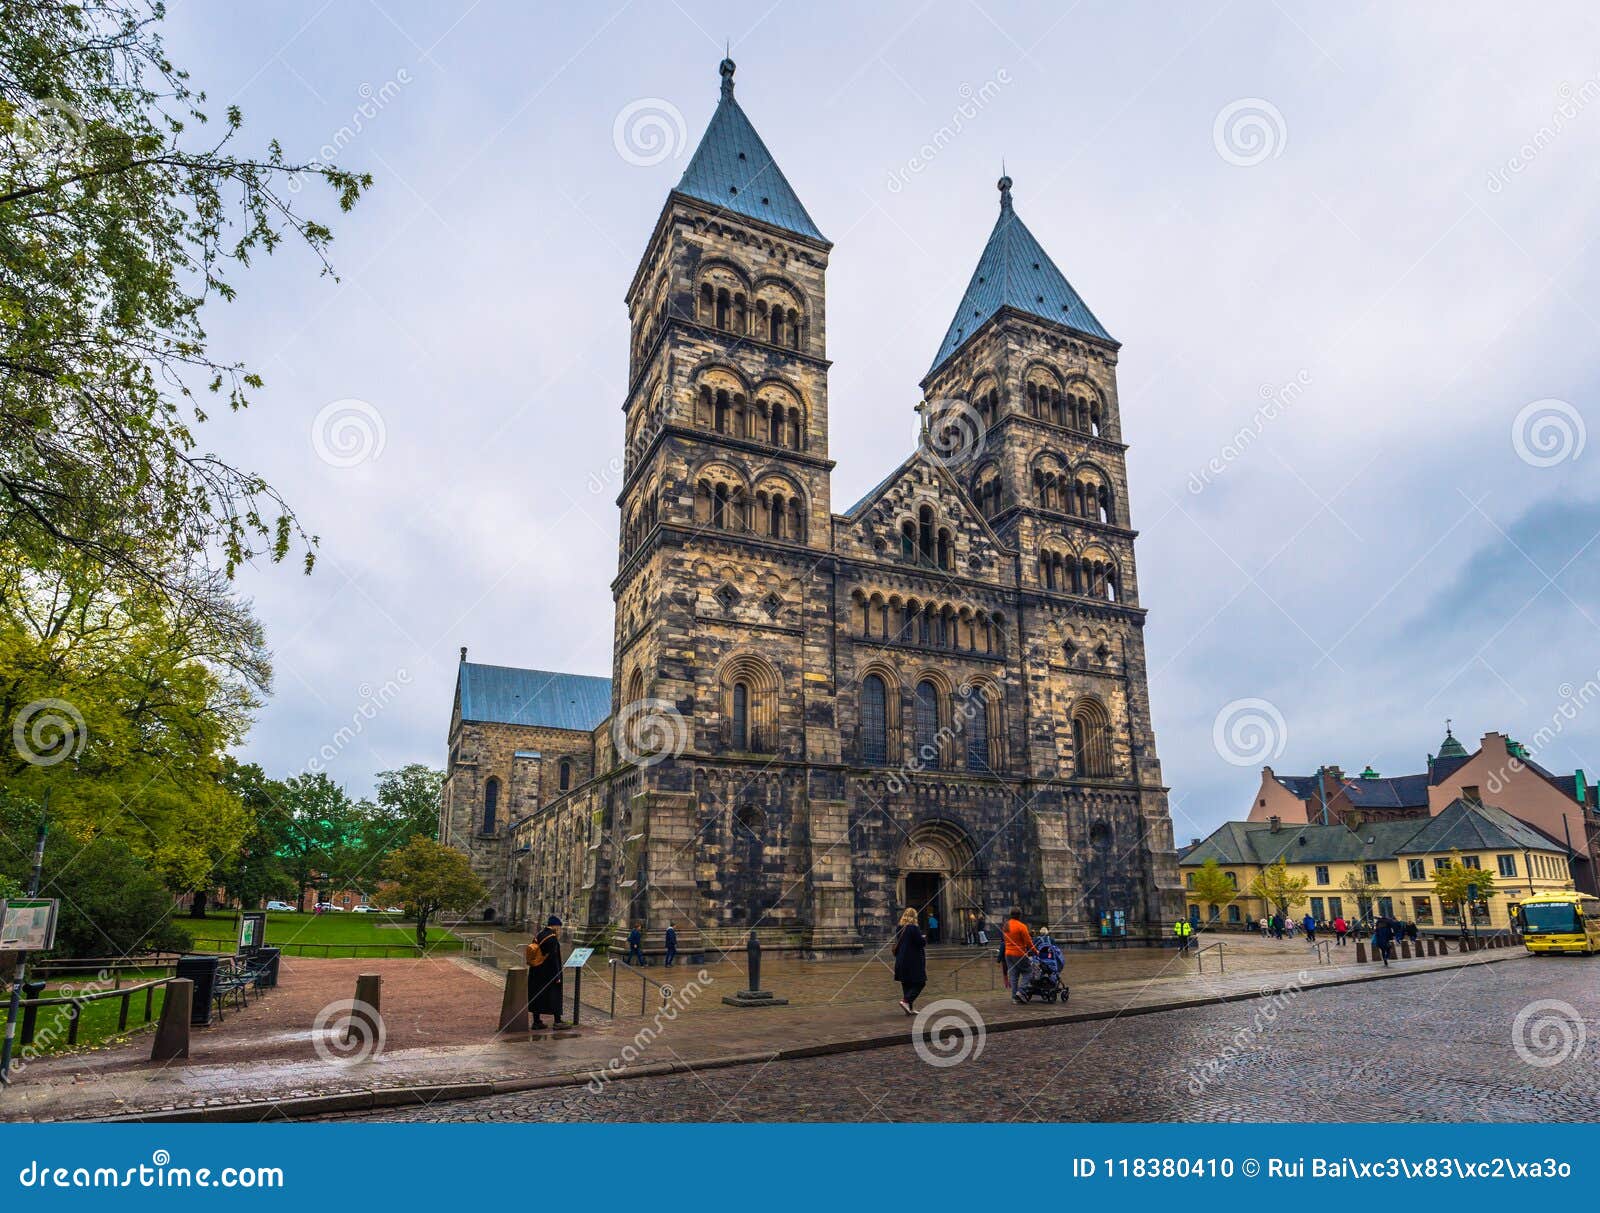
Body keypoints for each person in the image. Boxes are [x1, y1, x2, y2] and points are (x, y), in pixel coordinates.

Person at [526, 915, 567, 1029]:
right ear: (555, 926)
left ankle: (537, 1022)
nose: (559, 929)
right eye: (559, 927)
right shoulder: (552, 938)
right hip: (549, 973)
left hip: (535, 971)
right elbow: (554, 958)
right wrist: (558, 975)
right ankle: (558, 1022)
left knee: (537, 995)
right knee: (555, 995)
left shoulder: (539, 935)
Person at [893, 908, 927, 1015]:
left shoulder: (899, 928)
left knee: (907, 983)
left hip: (901, 960)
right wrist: (923, 937)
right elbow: (921, 943)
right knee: (920, 982)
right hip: (913, 960)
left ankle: (909, 1008)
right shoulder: (913, 928)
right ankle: (906, 1001)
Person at [1003, 908, 1035, 1003]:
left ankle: (1014, 998)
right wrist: (1035, 951)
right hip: (1019, 953)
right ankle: (1021, 991)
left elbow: (1010, 938)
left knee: (1014, 975)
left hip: (1008, 953)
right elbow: (1028, 942)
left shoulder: (1006, 925)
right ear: (1019, 915)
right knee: (1028, 972)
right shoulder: (1021, 926)